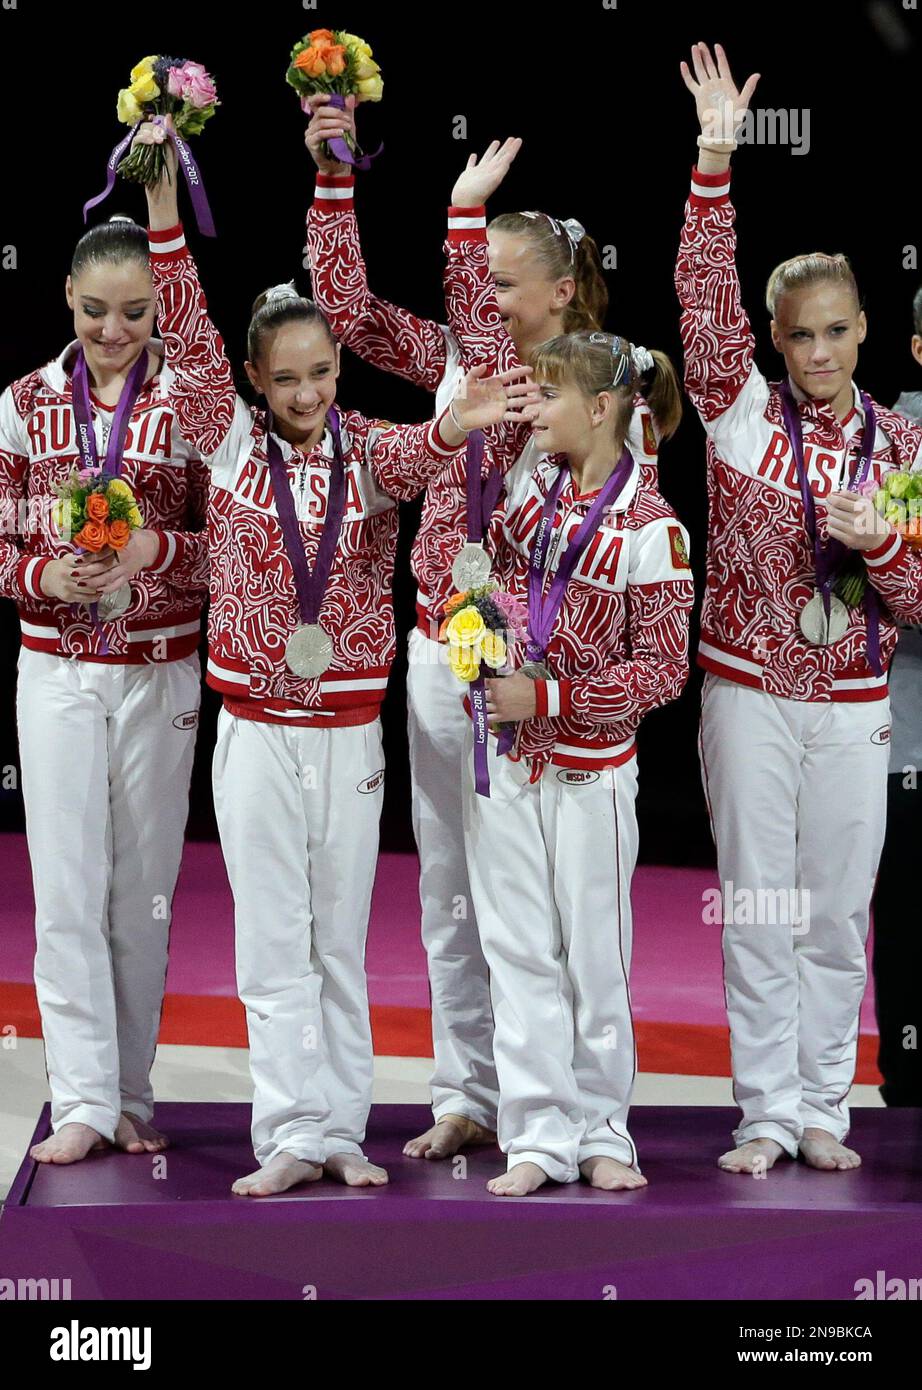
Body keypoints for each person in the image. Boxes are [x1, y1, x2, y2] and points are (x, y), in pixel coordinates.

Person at [137, 118, 534, 1195]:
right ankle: (287, 1138)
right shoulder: (224, 440)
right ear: (258, 381)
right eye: (291, 378)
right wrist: (167, 216)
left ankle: (344, 1131)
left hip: (350, 735)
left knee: (338, 943)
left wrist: (458, 424)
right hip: (257, 733)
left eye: (323, 374)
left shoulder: (369, 450)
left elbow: (422, 447)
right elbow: (186, 327)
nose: (312, 393)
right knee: (273, 942)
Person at [304, 99, 661, 1161]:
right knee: (453, 887)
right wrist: (332, 178)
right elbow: (347, 310)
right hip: (439, 644)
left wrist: (464, 218)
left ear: (560, 291)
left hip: (546, 675)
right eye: (482, 286)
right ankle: (470, 1088)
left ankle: (578, 1114)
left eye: (506, 287)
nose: (489, 306)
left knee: (554, 908)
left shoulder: (607, 388)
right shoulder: (465, 361)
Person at [677, 42, 922, 1173]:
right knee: (760, 908)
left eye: (835, 330)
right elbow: (700, 291)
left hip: (855, 701)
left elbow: (920, 600)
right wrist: (714, 159)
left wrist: (884, 555)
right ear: (772, 342)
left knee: (834, 914)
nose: (817, 351)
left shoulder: (905, 446)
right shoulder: (735, 410)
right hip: (748, 695)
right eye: (797, 334)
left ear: (862, 330)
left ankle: (824, 1104)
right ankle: (765, 1111)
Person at [458, 330, 693, 1194]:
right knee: (517, 951)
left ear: (600, 409)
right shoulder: (530, 489)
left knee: (593, 957)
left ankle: (602, 1132)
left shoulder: (652, 527)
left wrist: (549, 699)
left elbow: (665, 672)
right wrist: (479, 638)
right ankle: (535, 1137)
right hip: (511, 757)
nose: (534, 408)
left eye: (548, 396)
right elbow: (489, 580)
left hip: (592, 771)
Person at [0, 215, 209, 1165]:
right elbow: (3, 541)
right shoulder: (24, 401)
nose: (113, 330)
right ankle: (81, 1097)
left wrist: (149, 551)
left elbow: (234, 549)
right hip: (58, 669)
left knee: (144, 892)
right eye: (94, 311)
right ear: (67, 301)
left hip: (161, 666)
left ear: (159, 303)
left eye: (133, 311)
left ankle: (129, 1090)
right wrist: (46, 577)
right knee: (68, 887)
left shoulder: (196, 402)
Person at [871, 283, 922, 1106]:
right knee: (913, 925)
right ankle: (911, 1089)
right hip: (912, 743)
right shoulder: (900, 450)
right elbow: (900, 582)